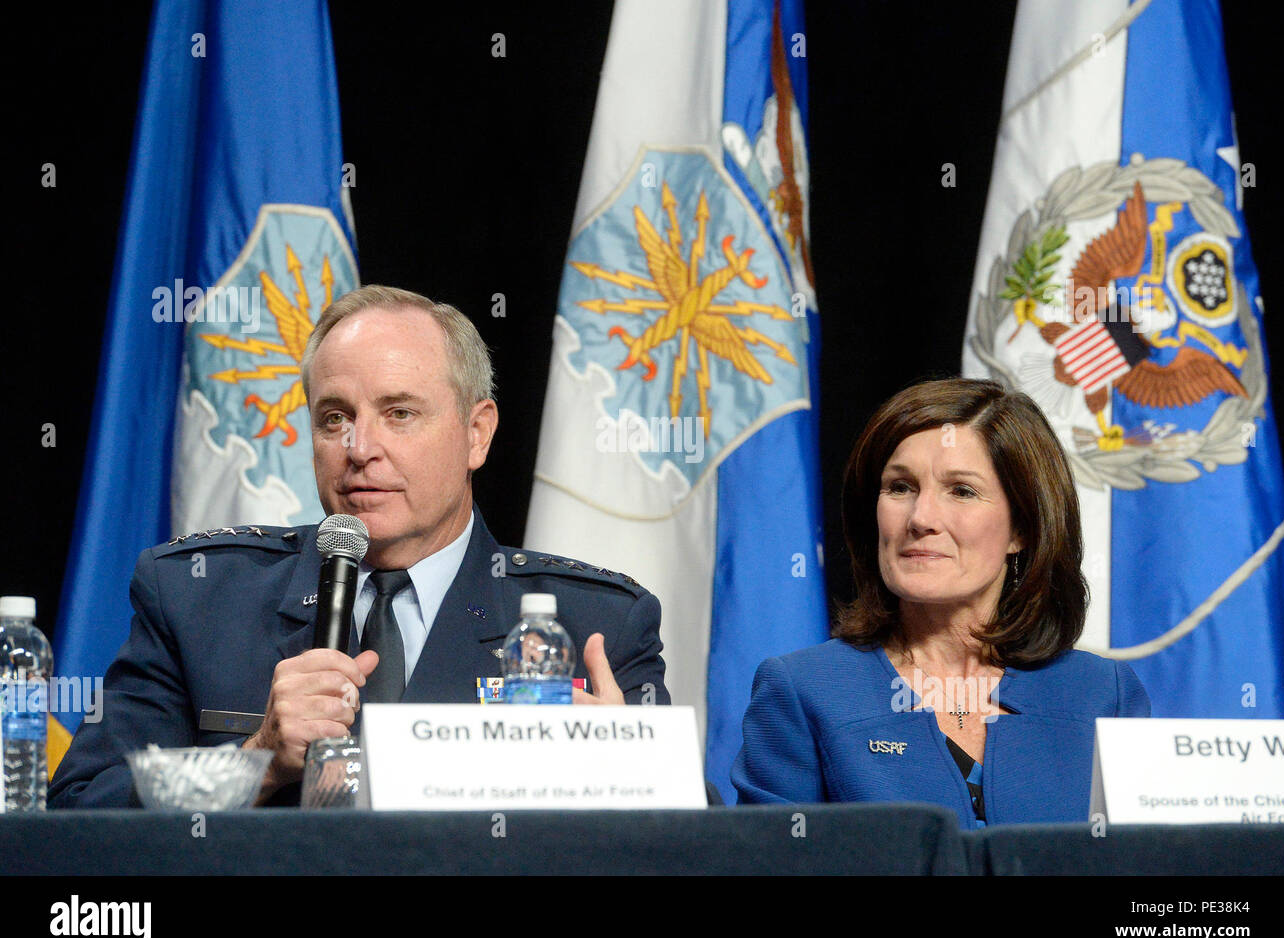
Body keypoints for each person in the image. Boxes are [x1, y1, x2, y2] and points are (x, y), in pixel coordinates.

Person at [51, 285, 669, 808]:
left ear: (477, 435)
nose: (359, 447)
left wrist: (617, 773)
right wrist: (255, 763)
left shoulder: (598, 626)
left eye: (399, 413)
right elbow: (78, 809)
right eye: (334, 417)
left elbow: (702, 848)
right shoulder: (196, 597)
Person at [731, 378, 1149, 826]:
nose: (921, 518)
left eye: (962, 491)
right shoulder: (804, 690)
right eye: (900, 487)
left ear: (1022, 528)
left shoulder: (1104, 695)